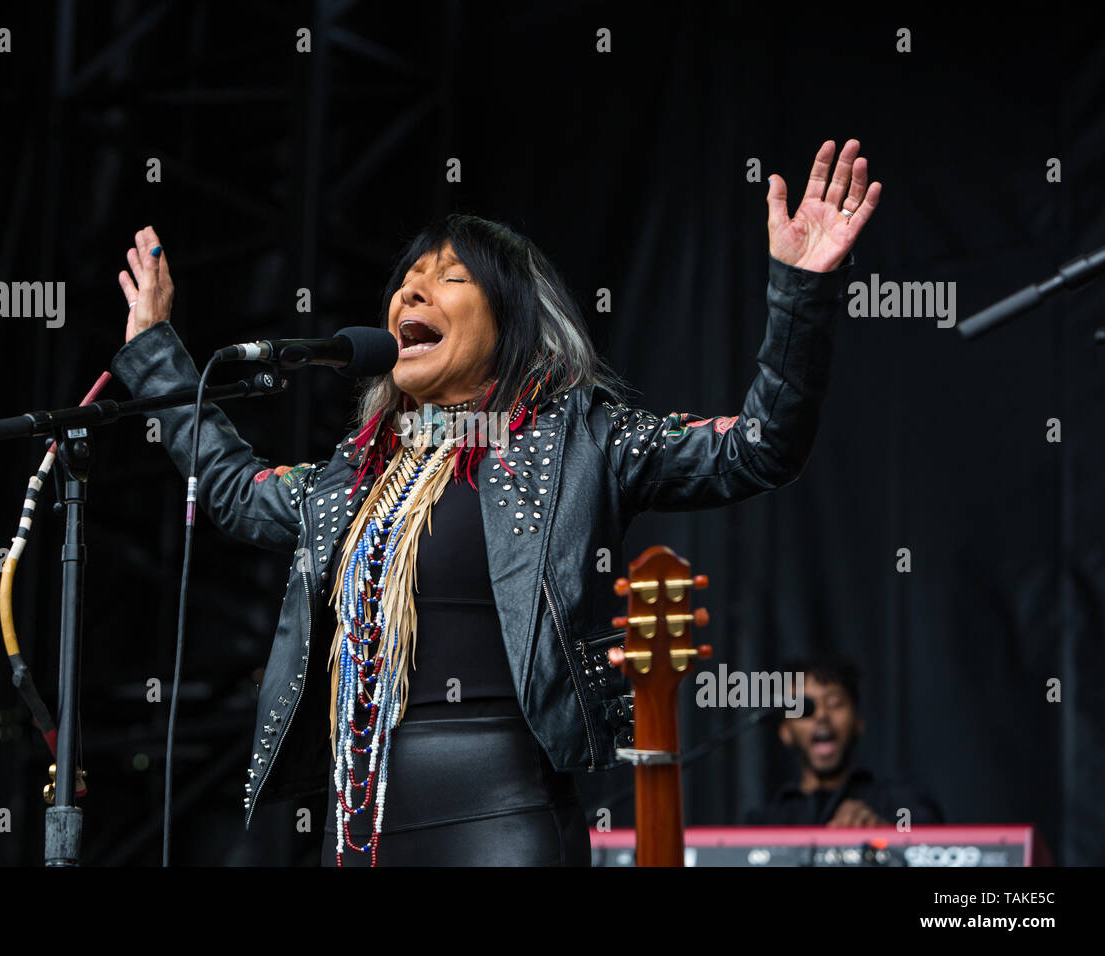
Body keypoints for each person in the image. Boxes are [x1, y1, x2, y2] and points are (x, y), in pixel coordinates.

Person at [111, 139, 881, 866]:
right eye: (407, 277)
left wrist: (800, 294)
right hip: (357, 828)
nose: (410, 287)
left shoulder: (580, 438)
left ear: (510, 319)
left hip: (500, 819)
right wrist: (154, 354)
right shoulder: (354, 475)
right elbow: (233, 489)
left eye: (448, 276)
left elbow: (759, 447)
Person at [746, 657, 944, 827]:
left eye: (834, 704)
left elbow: (928, 846)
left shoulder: (902, 804)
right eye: (805, 708)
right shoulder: (764, 822)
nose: (821, 715)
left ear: (858, 722)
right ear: (785, 732)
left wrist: (883, 834)